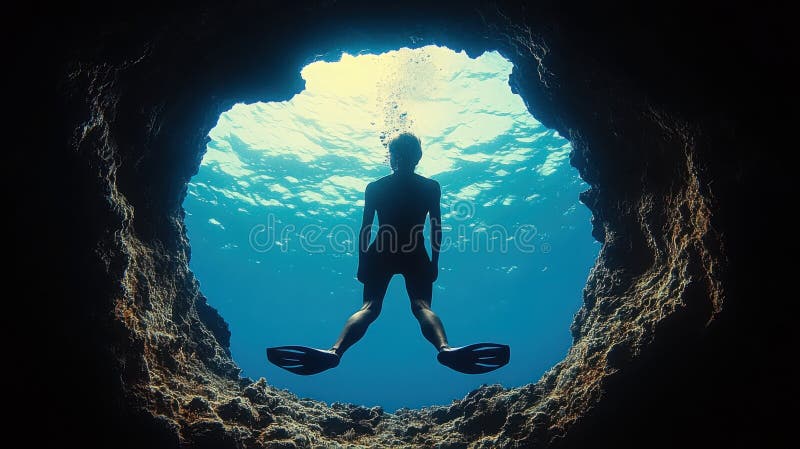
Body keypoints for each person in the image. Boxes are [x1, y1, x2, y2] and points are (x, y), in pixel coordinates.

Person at [267, 133, 509, 375]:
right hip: (415, 249)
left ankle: (336, 351)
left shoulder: (375, 187)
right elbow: (436, 228)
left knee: (370, 307)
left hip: (381, 247)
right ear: (418, 156)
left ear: (391, 158)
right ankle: (444, 348)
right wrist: (435, 263)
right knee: (421, 305)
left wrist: (362, 262)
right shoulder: (430, 187)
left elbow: (365, 229)